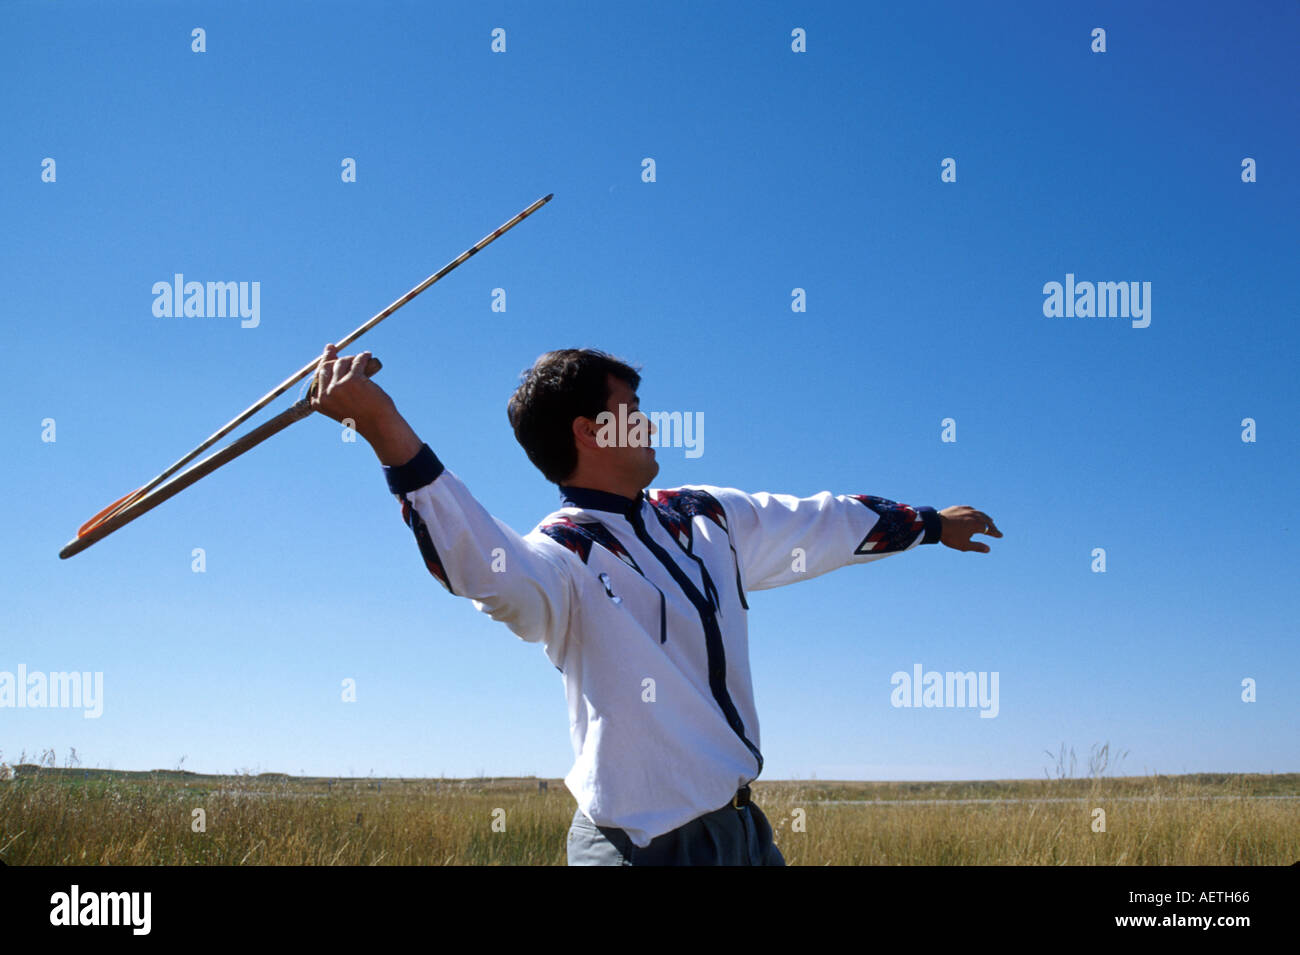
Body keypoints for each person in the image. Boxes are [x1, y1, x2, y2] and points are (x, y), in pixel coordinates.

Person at [309, 343, 1002, 865]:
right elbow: (484, 569)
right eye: (631, 411)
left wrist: (931, 524)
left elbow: (820, 522)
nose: (648, 423)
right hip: (640, 848)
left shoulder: (704, 516)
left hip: (742, 833)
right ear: (588, 431)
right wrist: (383, 427)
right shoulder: (564, 557)